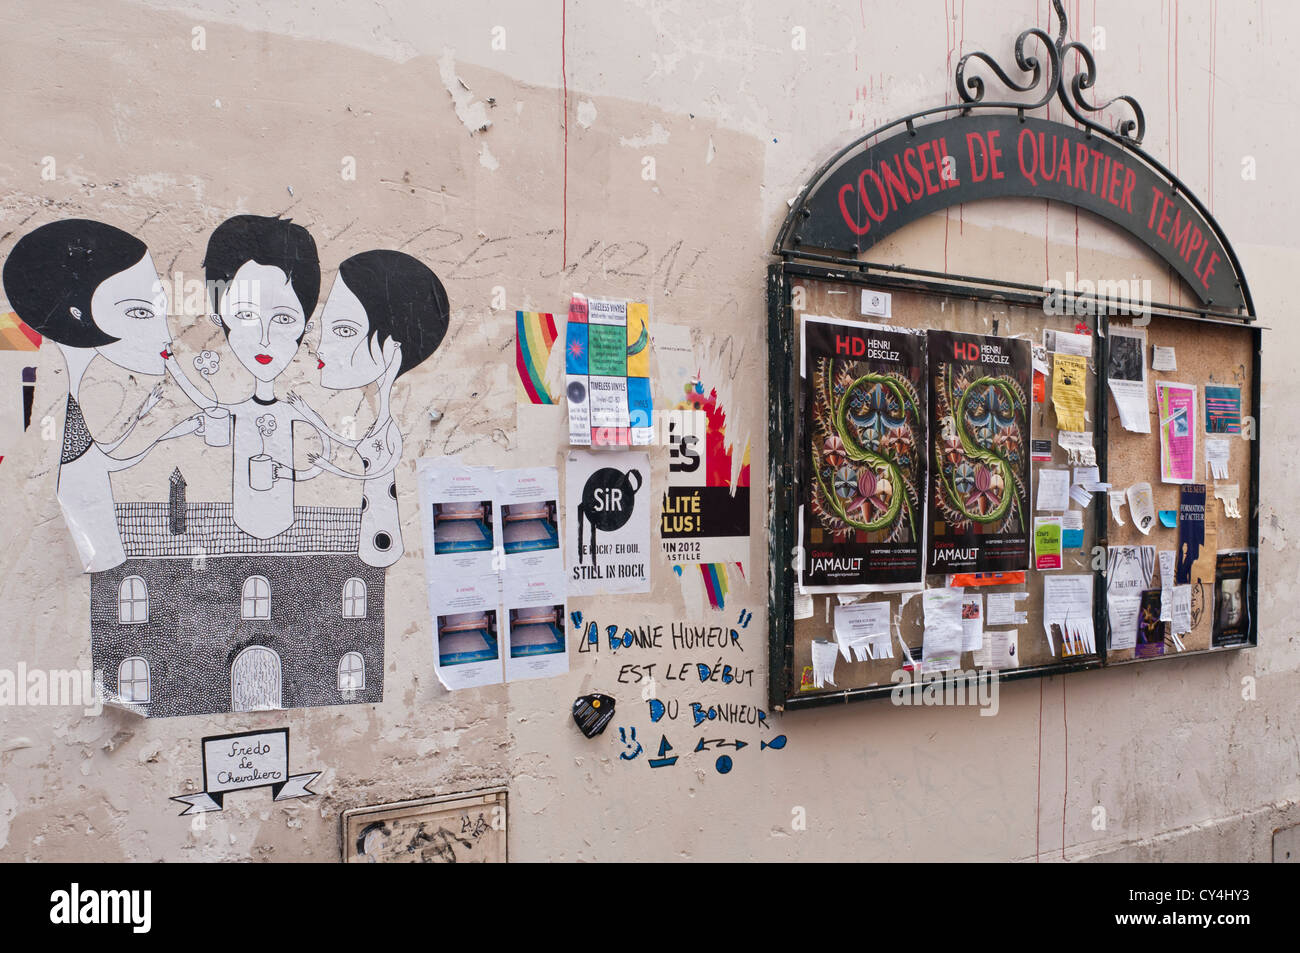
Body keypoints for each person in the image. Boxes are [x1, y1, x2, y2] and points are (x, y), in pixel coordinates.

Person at [2, 219, 198, 572]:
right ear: (77, 314)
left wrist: (157, 425)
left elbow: (98, 460)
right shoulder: (42, 396)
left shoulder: (63, 399)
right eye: (139, 312)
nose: (164, 334)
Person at [166, 215, 332, 539]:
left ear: (306, 327)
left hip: (284, 522)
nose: (265, 339)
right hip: (241, 520)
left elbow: (325, 450)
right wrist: (171, 364)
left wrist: (288, 472)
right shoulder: (239, 411)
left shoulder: (290, 410)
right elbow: (202, 402)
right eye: (244, 315)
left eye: (284, 317)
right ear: (219, 317)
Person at [289, 249, 449, 566]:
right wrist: (310, 415)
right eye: (324, 328)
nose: (320, 346)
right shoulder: (378, 423)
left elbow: (370, 467)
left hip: (382, 528)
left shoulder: (388, 430)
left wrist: (326, 465)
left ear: (391, 351)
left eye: (344, 331)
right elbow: (353, 445)